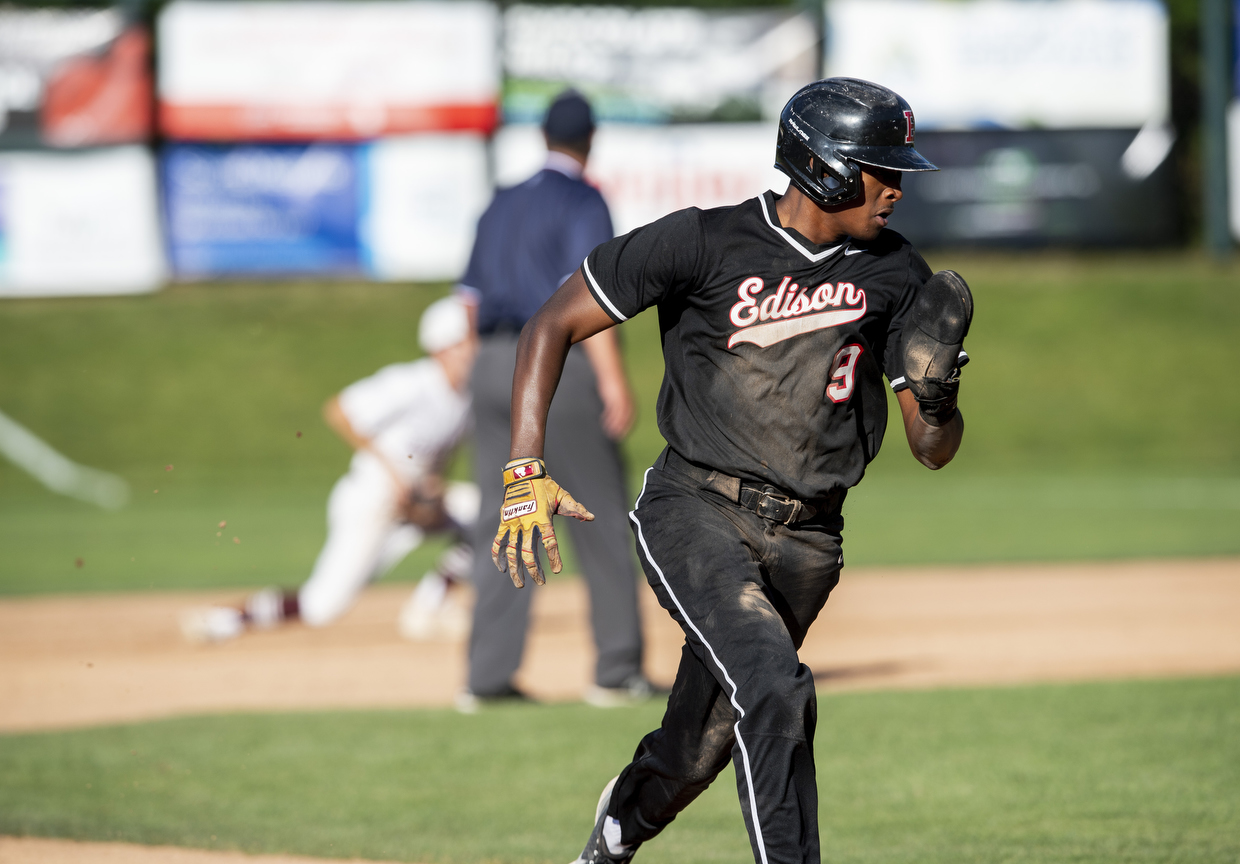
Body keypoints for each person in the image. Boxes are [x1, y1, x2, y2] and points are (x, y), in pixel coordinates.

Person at [489, 78, 973, 864]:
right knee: (776, 689)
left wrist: (938, 394)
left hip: (809, 547)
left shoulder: (898, 275)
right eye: (880, 169)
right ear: (823, 168)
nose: (895, 187)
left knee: (699, 744)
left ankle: (616, 828)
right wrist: (523, 467)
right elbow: (552, 321)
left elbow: (932, 447)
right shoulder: (703, 241)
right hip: (696, 512)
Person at [455, 88, 653, 712]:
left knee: (503, 515)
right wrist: (615, 380)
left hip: (489, 363)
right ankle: (616, 671)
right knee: (596, 514)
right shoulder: (582, 199)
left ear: (542, 136)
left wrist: (480, 372)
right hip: (554, 364)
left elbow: (467, 298)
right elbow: (585, 292)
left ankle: (486, 678)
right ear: (590, 139)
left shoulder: (502, 200)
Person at [181, 296, 480, 644]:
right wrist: (395, 475)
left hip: (414, 499)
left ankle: (429, 607)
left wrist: (428, 485)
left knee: (494, 511)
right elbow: (340, 409)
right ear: (441, 347)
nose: (474, 350)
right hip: (373, 498)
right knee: (322, 606)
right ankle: (225, 619)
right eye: (466, 342)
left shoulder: (468, 396)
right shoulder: (412, 383)